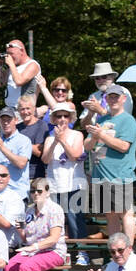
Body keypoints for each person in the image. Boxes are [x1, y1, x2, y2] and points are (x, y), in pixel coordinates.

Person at [4, 178, 67, 271]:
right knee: (10, 266)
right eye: (33, 191)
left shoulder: (55, 210)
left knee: (27, 267)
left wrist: (34, 247)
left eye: (40, 191)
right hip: (33, 251)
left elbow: (54, 238)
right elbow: (26, 239)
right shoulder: (30, 210)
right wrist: (20, 230)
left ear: (47, 192)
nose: (36, 194)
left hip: (53, 251)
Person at [83, 85, 136, 241]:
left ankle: (129, 251)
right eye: (110, 97)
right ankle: (116, 250)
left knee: (126, 213)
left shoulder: (128, 120)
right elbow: (86, 147)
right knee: (110, 215)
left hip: (120, 176)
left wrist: (101, 135)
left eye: (116, 96)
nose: (113, 99)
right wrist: (94, 137)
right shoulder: (101, 119)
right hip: (100, 176)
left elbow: (123, 146)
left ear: (123, 99)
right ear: (105, 99)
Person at [41, 101, 88, 249]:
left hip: (74, 184)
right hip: (55, 185)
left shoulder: (77, 135)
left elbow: (74, 155)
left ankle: (82, 251)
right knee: (56, 220)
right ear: (53, 119)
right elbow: (45, 159)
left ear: (70, 118)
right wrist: (55, 141)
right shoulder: (49, 139)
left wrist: (62, 140)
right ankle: (59, 250)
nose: (62, 119)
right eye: (58, 116)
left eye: (65, 116)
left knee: (76, 220)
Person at [0, 39, 40, 108]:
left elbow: (19, 82)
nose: (9, 57)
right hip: (9, 109)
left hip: (23, 110)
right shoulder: (13, 67)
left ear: (22, 51)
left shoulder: (33, 65)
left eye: (11, 54)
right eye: (8, 54)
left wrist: (11, 64)